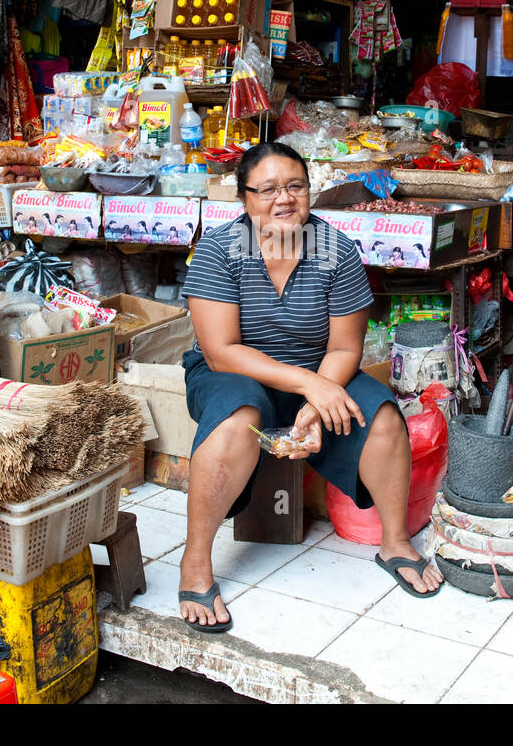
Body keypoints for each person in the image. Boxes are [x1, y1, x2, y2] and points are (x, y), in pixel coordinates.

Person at [177, 142, 442, 633]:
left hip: (321, 370)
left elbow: (344, 349)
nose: (284, 199)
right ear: (243, 199)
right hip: (232, 375)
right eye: (268, 189)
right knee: (238, 419)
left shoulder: (335, 249)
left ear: (310, 192)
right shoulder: (218, 250)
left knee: (382, 418)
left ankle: (396, 543)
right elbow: (221, 351)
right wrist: (309, 386)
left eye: (295, 186)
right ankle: (195, 562)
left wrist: (317, 403)